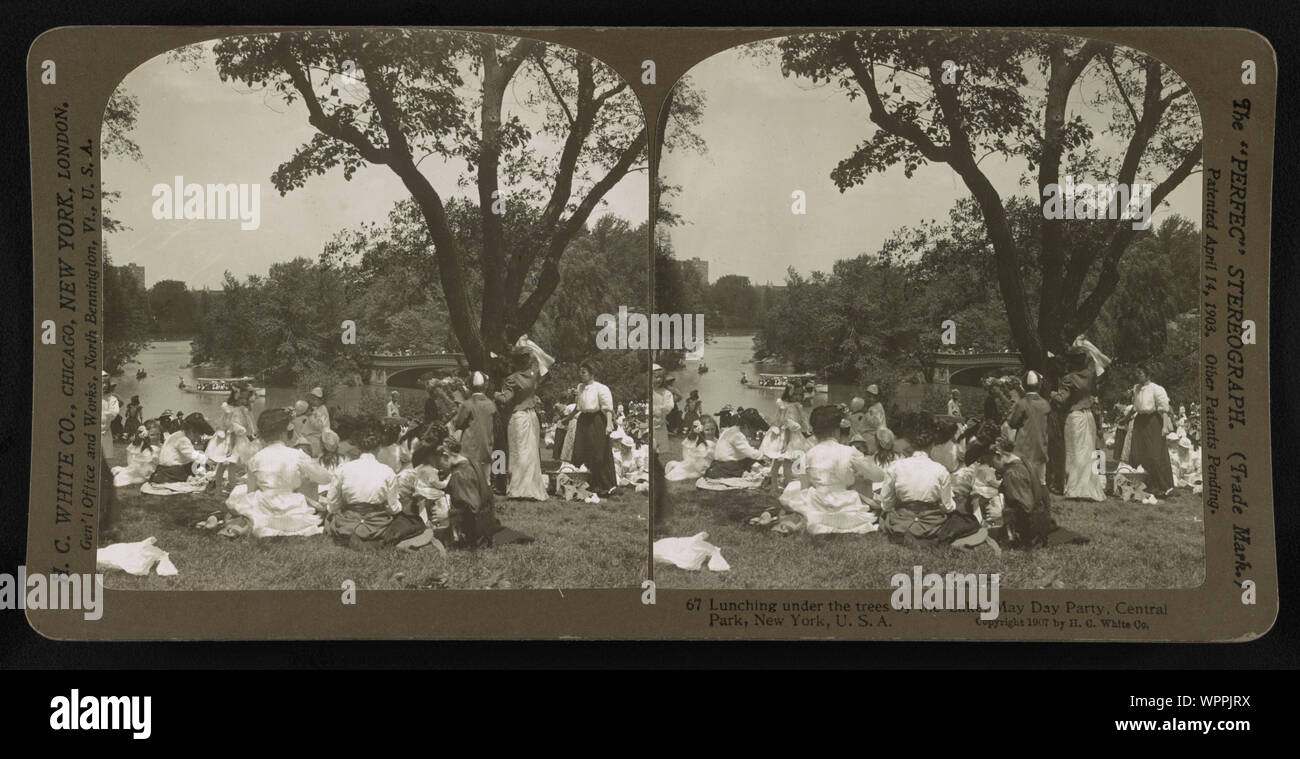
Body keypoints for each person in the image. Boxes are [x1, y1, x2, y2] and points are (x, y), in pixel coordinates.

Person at [878, 414, 984, 548]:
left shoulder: (894, 466)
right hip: (931, 525)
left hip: (900, 522)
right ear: (932, 445)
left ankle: (904, 534)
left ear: (911, 444)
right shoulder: (940, 470)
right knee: (965, 521)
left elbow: (886, 504)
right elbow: (948, 507)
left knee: (885, 515)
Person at [225, 408, 334, 538]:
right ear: (284, 433)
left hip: (265, 508)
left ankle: (244, 524)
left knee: (240, 491)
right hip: (293, 509)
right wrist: (306, 477)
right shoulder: (297, 455)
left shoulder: (255, 458)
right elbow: (326, 479)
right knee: (314, 501)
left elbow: (251, 492)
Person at [775, 405, 884, 535]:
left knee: (794, 487)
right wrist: (859, 471)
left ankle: (816, 517)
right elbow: (879, 476)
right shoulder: (850, 452)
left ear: (815, 432)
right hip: (845, 502)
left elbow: (804, 486)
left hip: (817, 502)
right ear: (836, 431)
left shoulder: (808, 453)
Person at [967, 436, 1089, 548]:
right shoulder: (1023, 461)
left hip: (1028, 530)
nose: (991, 466)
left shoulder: (1012, 474)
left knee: (980, 535)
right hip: (1041, 522)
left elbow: (1026, 507)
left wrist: (1001, 513)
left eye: (990, 462)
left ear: (998, 454)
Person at [324, 420, 423, 548]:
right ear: (379, 447)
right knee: (407, 517)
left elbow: (332, 504)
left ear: (358, 447)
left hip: (346, 523)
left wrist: (346, 507)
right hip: (377, 525)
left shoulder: (343, 469)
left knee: (330, 517)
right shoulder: (387, 472)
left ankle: (350, 534)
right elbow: (393, 509)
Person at [440, 437, 533, 548]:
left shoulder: (460, 475)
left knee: (435, 535)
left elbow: (473, 507)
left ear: (445, 456)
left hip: (474, 534)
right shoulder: (470, 461)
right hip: (487, 523)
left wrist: (447, 515)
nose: (438, 469)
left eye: (436, 463)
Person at [1051, 350, 1106, 501]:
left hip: (1074, 415)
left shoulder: (1069, 379)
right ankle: (1089, 487)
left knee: (1074, 452)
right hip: (1088, 416)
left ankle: (1075, 487)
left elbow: (1062, 399)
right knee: (1088, 451)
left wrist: (1051, 394)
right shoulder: (1089, 376)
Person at [494, 348, 548, 500]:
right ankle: (532, 487)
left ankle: (519, 488)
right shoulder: (533, 375)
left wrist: (494, 394)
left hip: (518, 417)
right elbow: (545, 366)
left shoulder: (513, 379)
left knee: (518, 452)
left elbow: (505, 399)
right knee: (531, 453)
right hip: (532, 416)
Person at [572, 360, 618, 495]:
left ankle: (605, 484)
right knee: (584, 452)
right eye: (580, 372)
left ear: (592, 373)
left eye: (584, 372)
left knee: (599, 453)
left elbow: (608, 408)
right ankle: (592, 483)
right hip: (583, 421)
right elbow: (578, 407)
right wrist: (567, 418)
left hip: (597, 421)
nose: (581, 375)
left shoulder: (601, 388)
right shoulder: (580, 387)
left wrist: (609, 424)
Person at [1128, 365, 1175, 496]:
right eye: (1137, 373)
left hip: (1153, 421)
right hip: (1140, 422)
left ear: (1148, 375)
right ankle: (1149, 485)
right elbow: (1135, 407)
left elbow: (1164, 409)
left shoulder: (1156, 389)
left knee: (1155, 455)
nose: (1138, 376)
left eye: (1141, 373)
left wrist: (1165, 426)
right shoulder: (1136, 388)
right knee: (1140, 454)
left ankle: (1164, 486)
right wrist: (1125, 419)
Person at [761, 384, 812, 491]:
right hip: (784, 436)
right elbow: (786, 425)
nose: (798, 397)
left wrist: (804, 427)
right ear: (789, 394)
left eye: (800, 394)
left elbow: (802, 423)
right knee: (779, 461)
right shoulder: (786, 407)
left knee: (791, 461)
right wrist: (785, 442)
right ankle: (776, 486)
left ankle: (790, 484)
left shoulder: (796, 406)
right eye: (795, 394)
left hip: (794, 434)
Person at [205, 388, 256, 494]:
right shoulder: (231, 410)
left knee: (228, 465)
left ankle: (222, 487)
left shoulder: (242, 410)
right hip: (229, 439)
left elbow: (248, 425)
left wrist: (250, 433)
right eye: (242, 398)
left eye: (245, 399)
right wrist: (229, 446)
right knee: (226, 465)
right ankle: (225, 488)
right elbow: (230, 427)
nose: (244, 401)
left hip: (237, 437)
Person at [1007, 370, 1052, 486]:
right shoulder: (1045, 404)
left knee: (1022, 480)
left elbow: (1012, 423)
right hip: (1041, 447)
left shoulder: (1022, 403)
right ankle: (1045, 503)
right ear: (1039, 385)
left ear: (1024, 386)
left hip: (1023, 448)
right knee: (1041, 481)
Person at [149, 413, 213, 483]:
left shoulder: (177, 434)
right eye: (198, 435)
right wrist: (208, 460)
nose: (197, 438)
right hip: (172, 470)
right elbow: (192, 455)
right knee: (199, 461)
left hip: (163, 468)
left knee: (198, 459)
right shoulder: (183, 439)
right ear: (192, 431)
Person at [704, 408, 767, 479]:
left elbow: (744, 450)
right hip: (727, 465)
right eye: (753, 431)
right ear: (746, 427)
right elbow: (750, 452)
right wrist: (764, 455)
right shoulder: (737, 435)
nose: (754, 434)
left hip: (722, 462)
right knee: (751, 461)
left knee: (750, 460)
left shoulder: (732, 430)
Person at [453, 371, 498, 468]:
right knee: (485, 480)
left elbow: (457, 424)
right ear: (485, 387)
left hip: (469, 452)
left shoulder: (467, 404)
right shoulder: (491, 405)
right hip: (486, 450)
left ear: (470, 387)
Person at [299, 387, 331, 457]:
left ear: (321, 400)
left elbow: (319, 427)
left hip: (317, 437)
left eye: (315, 400)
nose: (312, 401)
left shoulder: (322, 410)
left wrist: (310, 416)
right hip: (311, 435)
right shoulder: (316, 408)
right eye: (312, 399)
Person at [651, 364, 674, 455]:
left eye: (661, 377)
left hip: (660, 425)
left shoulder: (666, 393)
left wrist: (659, 410)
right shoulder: (649, 392)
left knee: (657, 449)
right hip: (649, 425)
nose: (659, 380)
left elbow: (669, 406)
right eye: (656, 377)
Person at [861, 384, 887, 454]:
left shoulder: (876, 408)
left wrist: (866, 413)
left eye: (870, 397)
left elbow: (875, 423)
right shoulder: (873, 406)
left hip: (873, 437)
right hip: (872, 436)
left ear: (876, 398)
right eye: (867, 396)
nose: (868, 398)